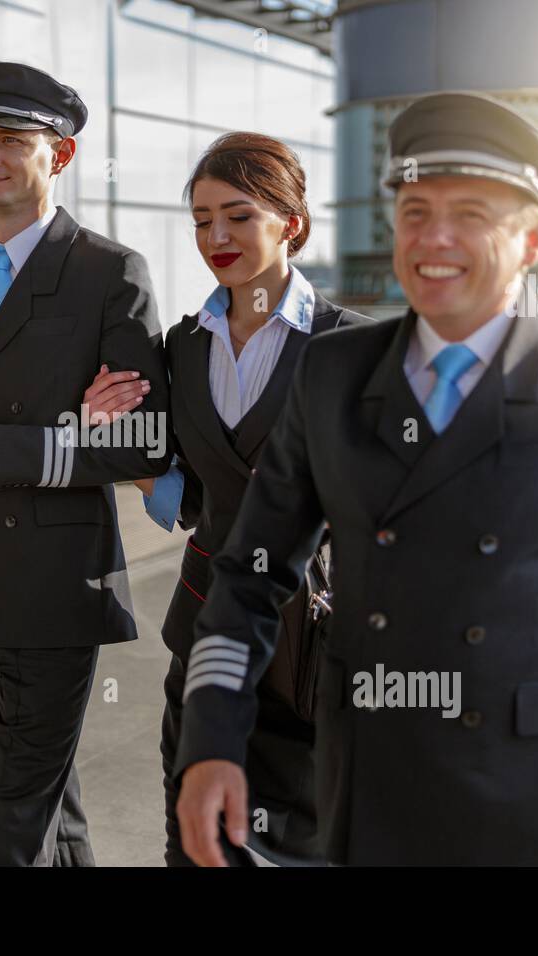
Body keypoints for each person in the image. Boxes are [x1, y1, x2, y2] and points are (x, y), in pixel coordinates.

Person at [175, 92, 538, 866]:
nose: (434, 238)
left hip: (534, 799)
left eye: (472, 213)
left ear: (534, 237)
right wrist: (211, 736)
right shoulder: (332, 373)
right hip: (370, 789)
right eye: (414, 211)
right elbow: (249, 576)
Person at [84, 132, 369, 865]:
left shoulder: (352, 349)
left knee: (306, 844)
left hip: (315, 643)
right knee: (198, 843)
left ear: (291, 225)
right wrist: (109, 426)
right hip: (206, 633)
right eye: (204, 219)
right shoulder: (182, 346)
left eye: (239, 216)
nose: (217, 236)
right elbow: (185, 496)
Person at [0, 61, 171, 866]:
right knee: (40, 799)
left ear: (59, 156)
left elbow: (142, 442)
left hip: (57, 580)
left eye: (12, 142)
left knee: (13, 814)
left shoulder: (109, 272)